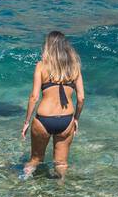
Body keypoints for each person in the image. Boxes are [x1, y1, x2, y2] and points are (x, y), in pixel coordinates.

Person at [21, 31, 85, 179]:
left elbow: (34, 97)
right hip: (66, 120)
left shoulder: (41, 66)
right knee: (61, 163)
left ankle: (23, 184)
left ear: (48, 46)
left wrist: (26, 122)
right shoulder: (74, 67)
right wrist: (76, 119)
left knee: (35, 160)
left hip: (43, 120)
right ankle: (60, 191)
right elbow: (81, 98)